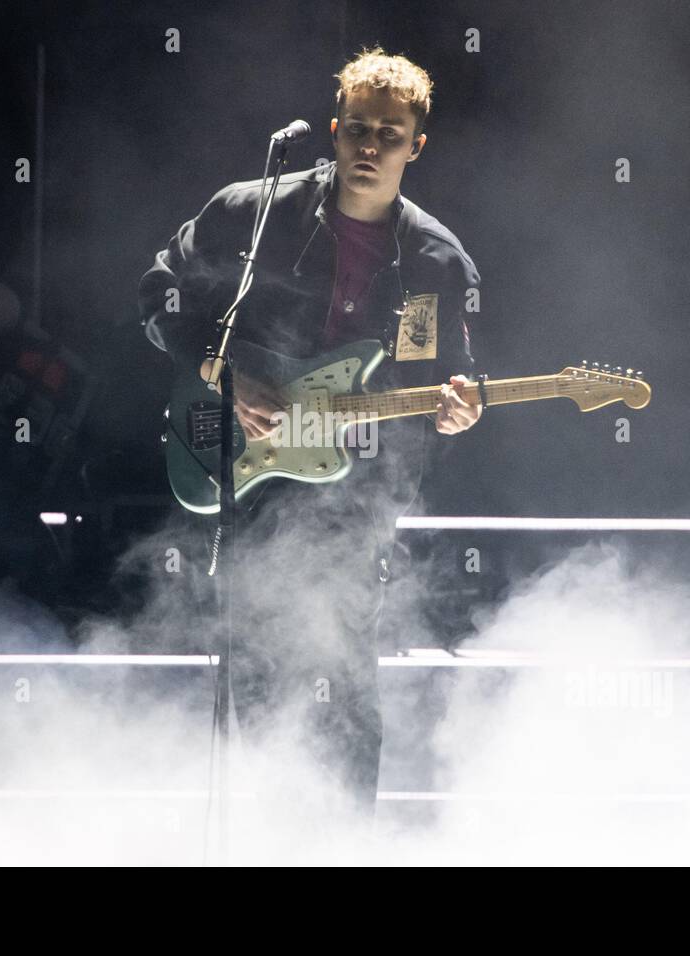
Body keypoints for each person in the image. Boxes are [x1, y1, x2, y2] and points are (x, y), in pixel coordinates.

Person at [140, 47, 482, 824]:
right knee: (252, 659)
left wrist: (453, 410)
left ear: (415, 146)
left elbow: (445, 378)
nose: (369, 146)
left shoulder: (435, 262)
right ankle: (262, 828)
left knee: (345, 675)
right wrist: (221, 371)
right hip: (248, 465)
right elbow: (161, 288)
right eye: (356, 129)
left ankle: (344, 839)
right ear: (332, 131)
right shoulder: (250, 213)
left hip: (356, 491)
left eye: (388, 135)